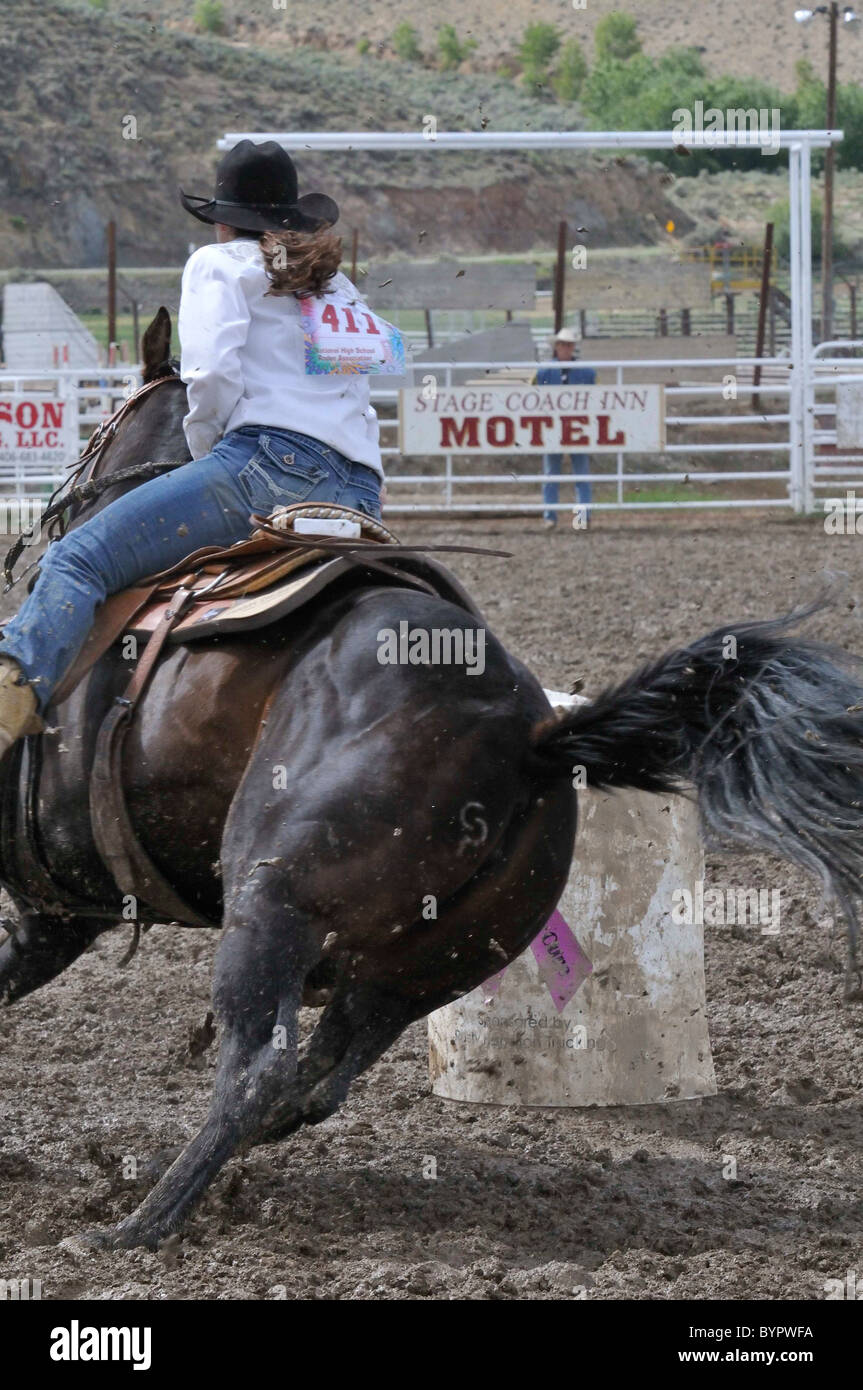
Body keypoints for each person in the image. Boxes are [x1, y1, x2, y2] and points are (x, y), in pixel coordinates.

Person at [0, 140, 389, 752]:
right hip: (360, 494)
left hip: (264, 470)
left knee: (77, 559)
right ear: (292, 217)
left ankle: (10, 700)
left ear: (224, 218)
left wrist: (209, 451)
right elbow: (359, 387)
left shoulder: (218, 265)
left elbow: (209, 376)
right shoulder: (336, 288)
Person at [537, 327, 596, 530]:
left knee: (580, 473)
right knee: (551, 473)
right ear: (557, 347)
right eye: (563, 345)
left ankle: (581, 518)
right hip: (552, 426)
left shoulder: (586, 372)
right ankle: (550, 517)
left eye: (569, 345)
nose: (566, 348)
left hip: (578, 426)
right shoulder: (544, 371)